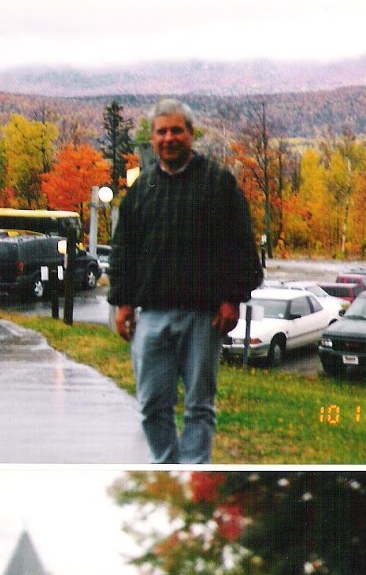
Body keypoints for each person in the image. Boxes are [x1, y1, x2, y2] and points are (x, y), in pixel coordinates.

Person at [108, 99, 262, 464]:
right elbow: (123, 251)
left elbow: (240, 245)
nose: (169, 138)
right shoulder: (141, 191)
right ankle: (166, 468)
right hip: (153, 318)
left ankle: (194, 473)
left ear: (191, 135)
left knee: (199, 406)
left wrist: (232, 298)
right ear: (152, 137)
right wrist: (123, 303)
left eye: (177, 130)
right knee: (151, 405)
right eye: (161, 131)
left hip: (203, 317)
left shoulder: (218, 183)